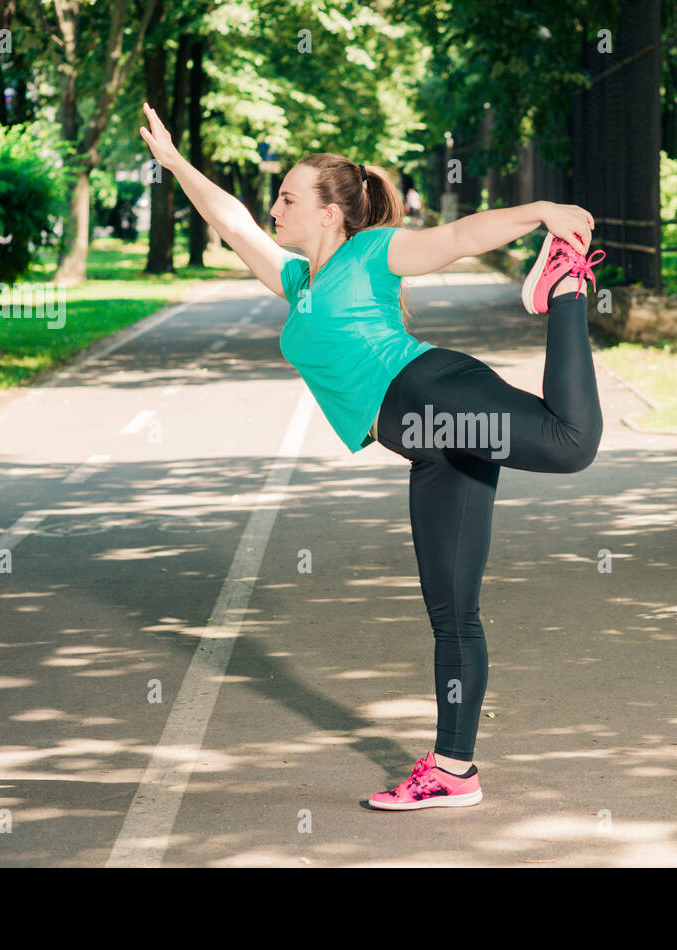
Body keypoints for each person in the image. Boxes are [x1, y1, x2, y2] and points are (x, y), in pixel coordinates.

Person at [139, 103, 605, 810]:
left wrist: (541, 211)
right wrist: (175, 164)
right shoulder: (298, 283)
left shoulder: (370, 253)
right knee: (453, 613)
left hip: (434, 393)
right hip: (432, 450)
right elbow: (231, 221)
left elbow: (457, 237)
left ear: (329, 214)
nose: (275, 209)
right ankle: (453, 770)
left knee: (571, 443)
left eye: (288, 199)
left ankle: (564, 284)